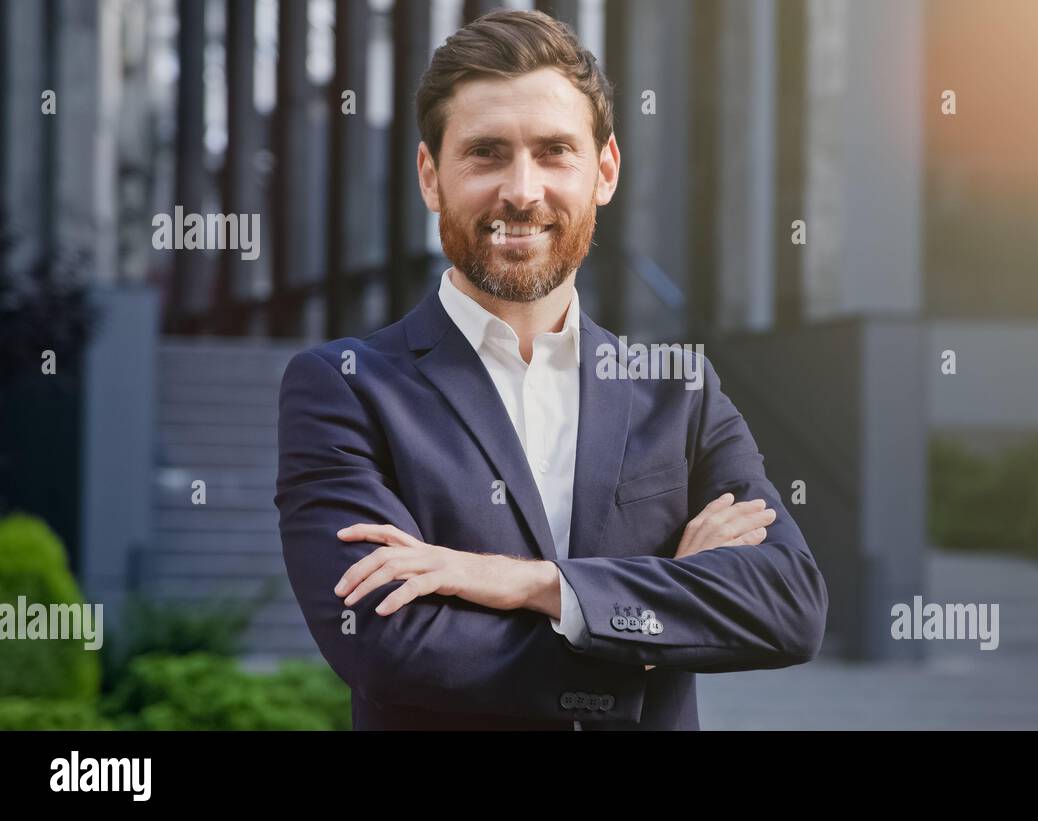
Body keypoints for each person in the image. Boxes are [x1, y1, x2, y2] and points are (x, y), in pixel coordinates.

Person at [275, 8, 828, 730]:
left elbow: (788, 605)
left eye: (555, 151)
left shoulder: (679, 390)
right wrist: (657, 625)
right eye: (486, 153)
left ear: (604, 171)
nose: (523, 191)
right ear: (430, 176)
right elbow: (388, 642)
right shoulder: (344, 388)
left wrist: (529, 583)